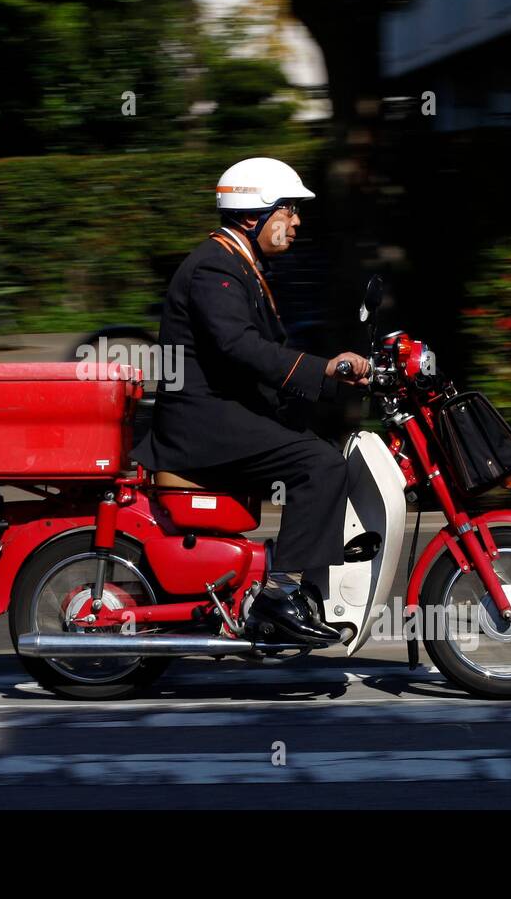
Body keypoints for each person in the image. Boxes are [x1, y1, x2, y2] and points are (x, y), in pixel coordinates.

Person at [131, 157, 370, 647]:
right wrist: (322, 369)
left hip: (218, 414)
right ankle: (279, 595)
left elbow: (261, 357)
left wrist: (328, 383)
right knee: (319, 465)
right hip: (202, 425)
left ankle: (300, 589)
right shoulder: (215, 267)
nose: (296, 222)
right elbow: (237, 347)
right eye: (288, 210)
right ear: (252, 214)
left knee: (320, 444)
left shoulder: (238, 263)